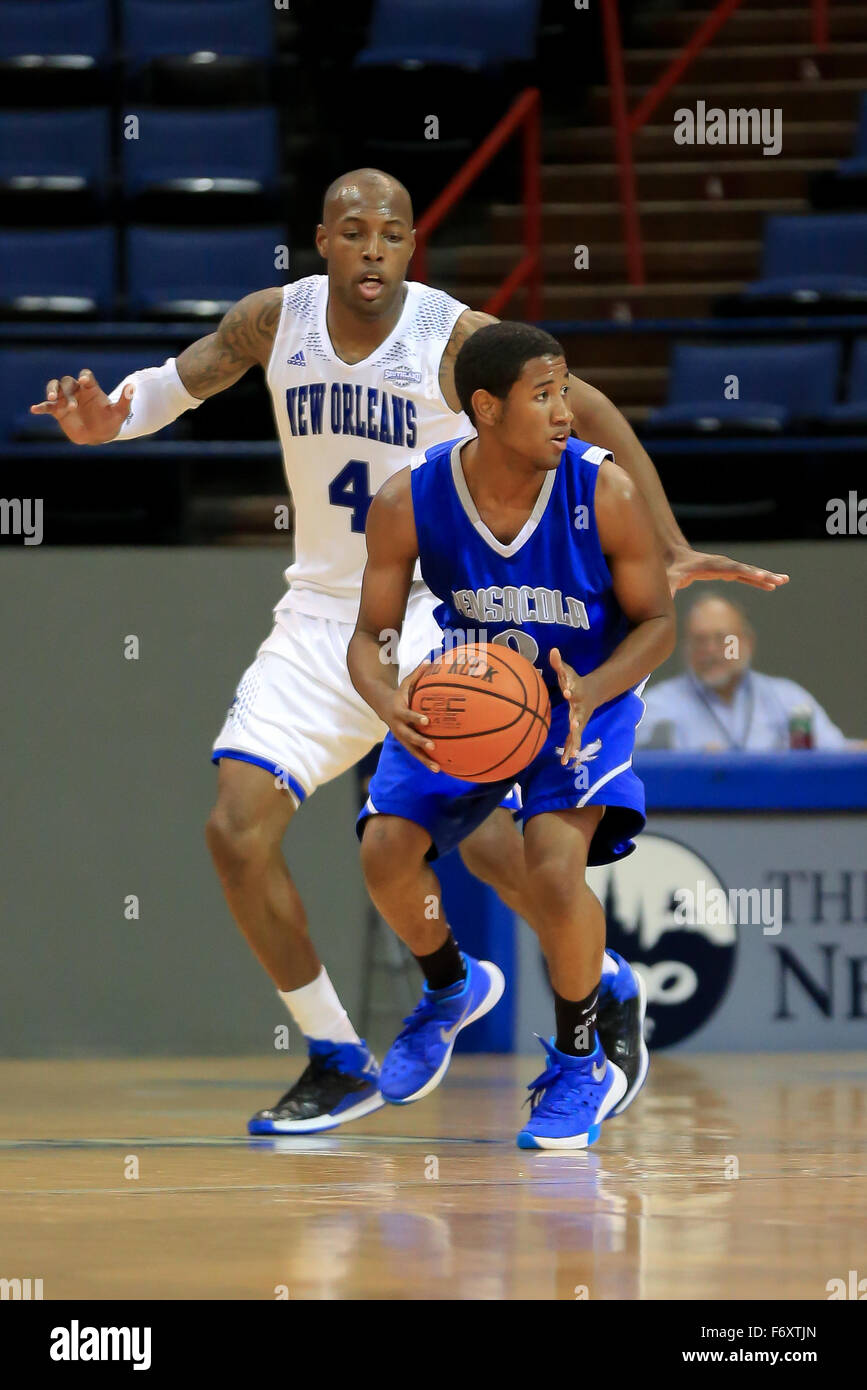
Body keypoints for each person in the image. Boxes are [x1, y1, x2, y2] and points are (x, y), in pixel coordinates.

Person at [29, 169, 785, 1136]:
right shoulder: (274, 320)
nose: (373, 246)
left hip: (442, 602)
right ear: (323, 242)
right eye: (353, 230)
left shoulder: (451, 337)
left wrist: (670, 541)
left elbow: (581, 409)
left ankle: (587, 986)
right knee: (233, 830)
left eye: (391, 232)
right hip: (320, 613)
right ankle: (339, 1056)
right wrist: (110, 421)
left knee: (462, 829)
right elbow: (179, 384)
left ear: (412, 246)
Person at [347, 321, 677, 1148]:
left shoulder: (604, 493)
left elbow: (657, 624)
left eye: (565, 390)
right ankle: (449, 985)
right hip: (473, 688)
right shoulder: (407, 499)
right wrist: (383, 694)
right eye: (543, 395)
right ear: (485, 410)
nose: (565, 411)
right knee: (386, 852)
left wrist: (591, 688)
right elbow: (368, 636)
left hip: (584, 694)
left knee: (555, 872)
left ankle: (577, 1065)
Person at [637, 593, 848, 751]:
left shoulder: (789, 698)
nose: (710, 650)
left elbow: (837, 753)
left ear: (747, 643)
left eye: (722, 639)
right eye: (700, 640)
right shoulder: (655, 707)